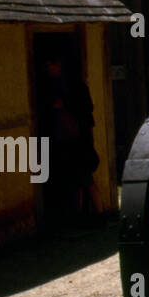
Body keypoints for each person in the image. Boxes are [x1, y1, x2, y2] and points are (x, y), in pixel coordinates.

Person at [38, 55, 100, 228]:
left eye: (49, 65)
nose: (48, 70)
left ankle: (100, 214)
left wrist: (64, 105)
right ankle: (80, 215)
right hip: (67, 138)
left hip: (78, 138)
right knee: (77, 180)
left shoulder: (73, 86)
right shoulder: (56, 85)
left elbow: (85, 111)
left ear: (58, 65)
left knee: (86, 179)